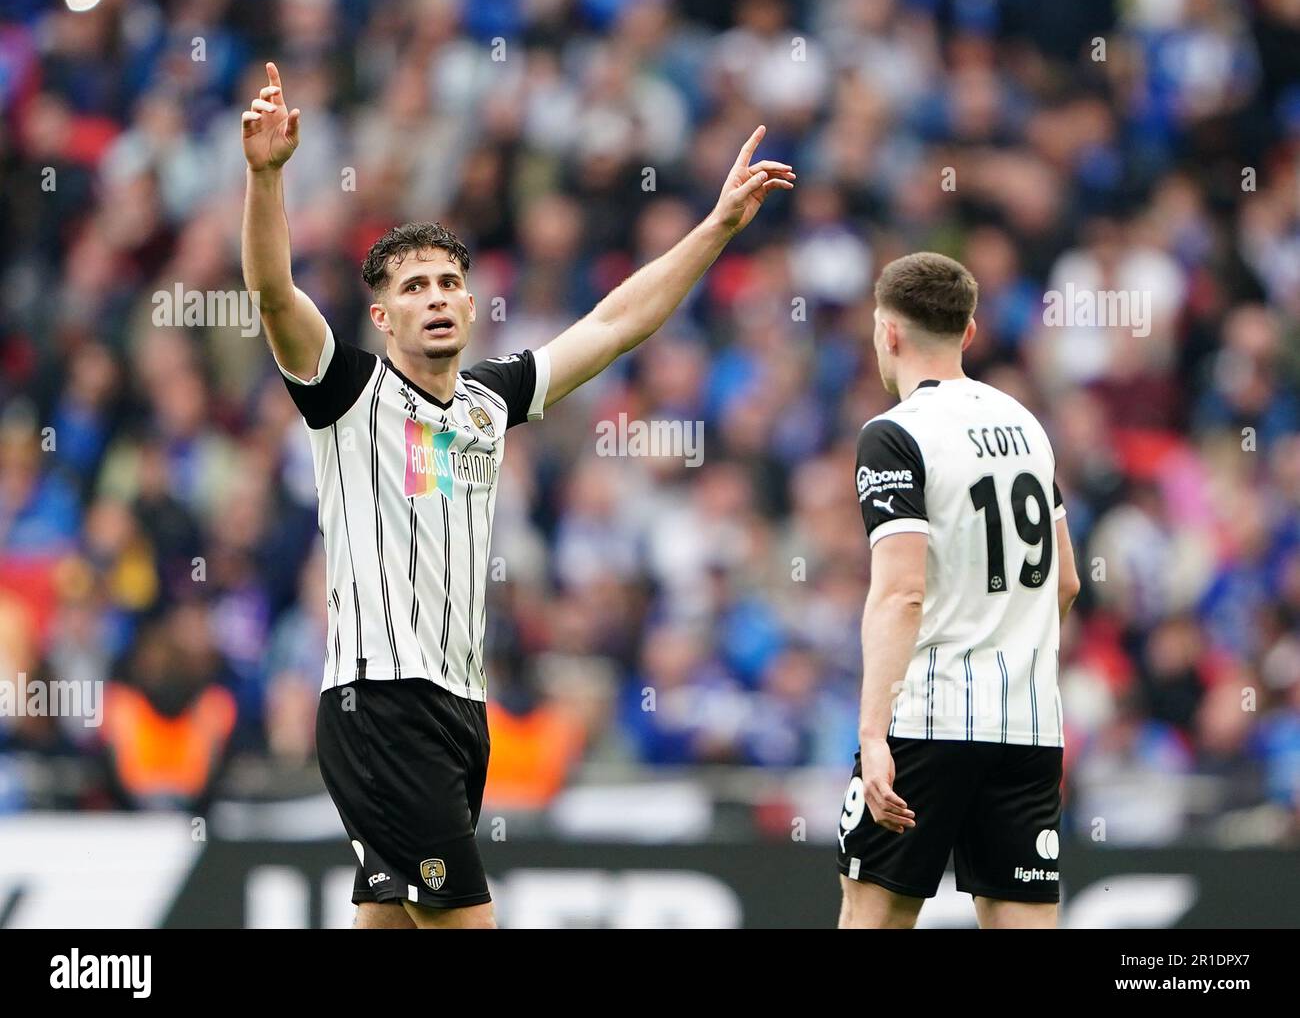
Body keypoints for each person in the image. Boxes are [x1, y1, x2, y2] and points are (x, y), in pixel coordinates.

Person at [240, 62, 794, 928]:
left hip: (459, 708)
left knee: (386, 921)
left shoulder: (489, 401)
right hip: (382, 701)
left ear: (471, 303)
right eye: (412, 288)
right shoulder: (348, 396)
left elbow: (615, 324)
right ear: (381, 318)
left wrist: (717, 227)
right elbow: (275, 296)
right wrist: (268, 178)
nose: (435, 300)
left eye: (447, 284)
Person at [837, 251, 1081, 929]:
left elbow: (900, 594)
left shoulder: (894, 435)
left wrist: (872, 732)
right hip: (1029, 725)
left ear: (888, 332)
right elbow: (1065, 580)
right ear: (969, 332)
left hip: (927, 722)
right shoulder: (1027, 426)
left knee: (873, 916)